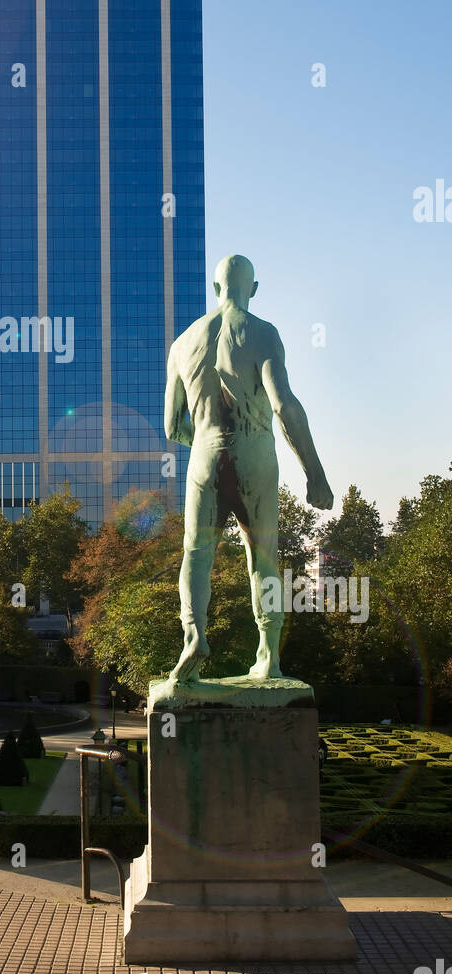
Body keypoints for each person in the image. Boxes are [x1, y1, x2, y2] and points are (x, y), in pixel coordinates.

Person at [164, 254, 333, 684]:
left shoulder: (182, 343)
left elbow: (170, 426)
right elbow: (284, 406)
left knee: (196, 555)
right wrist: (315, 472)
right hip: (256, 455)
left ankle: (193, 637)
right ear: (252, 289)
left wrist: (205, 442)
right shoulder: (263, 333)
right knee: (263, 560)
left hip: (204, 454)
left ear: (215, 288)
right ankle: (268, 657)